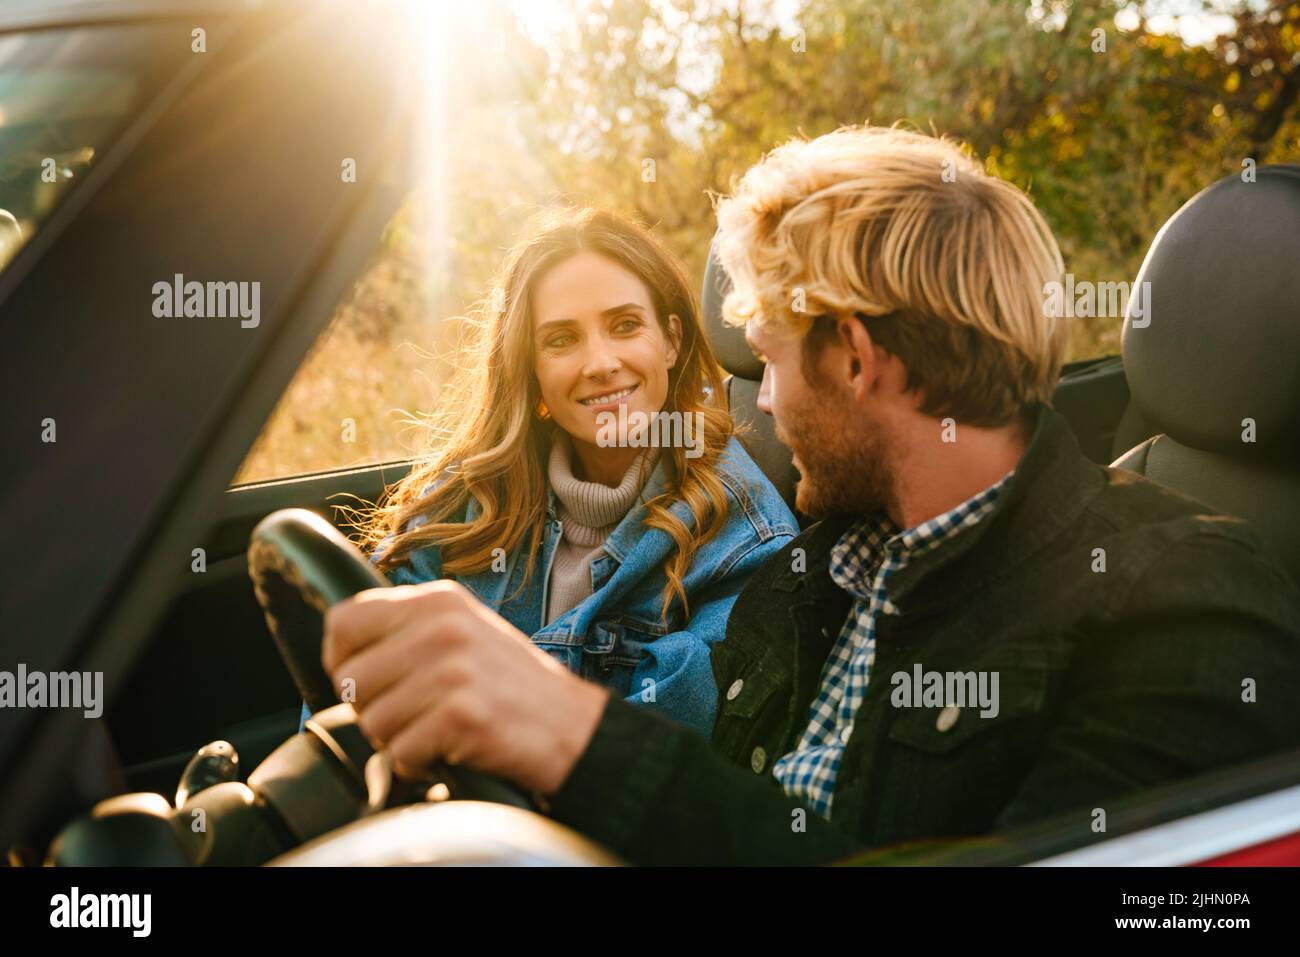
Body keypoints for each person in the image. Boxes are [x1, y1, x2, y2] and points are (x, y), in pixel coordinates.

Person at [319, 127, 1300, 864]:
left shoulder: (1185, 610)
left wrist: (575, 736)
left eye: (774, 367)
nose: (763, 405)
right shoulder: (818, 570)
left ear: (857, 360)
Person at [307, 206, 796, 740]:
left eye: (625, 325)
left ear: (672, 340)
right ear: (531, 368)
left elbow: (647, 755)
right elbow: (352, 671)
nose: (600, 362)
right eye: (562, 340)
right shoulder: (469, 493)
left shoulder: (742, 538)